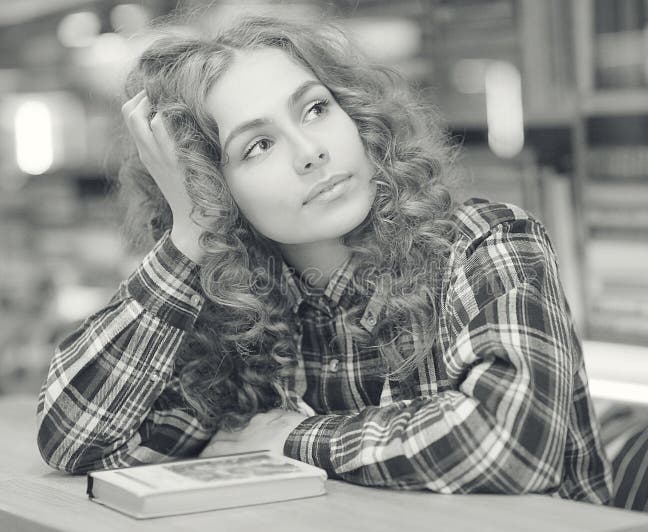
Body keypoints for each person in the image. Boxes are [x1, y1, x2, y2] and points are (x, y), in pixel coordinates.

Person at [35, 15, 612, 499]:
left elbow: (510, 446)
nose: (311, 152)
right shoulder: (236, 319)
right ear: (213, 188)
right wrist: (189, 233)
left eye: (314, 109)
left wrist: (291, 438)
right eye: (258, 145)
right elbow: (76, 440)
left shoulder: (488, 242)